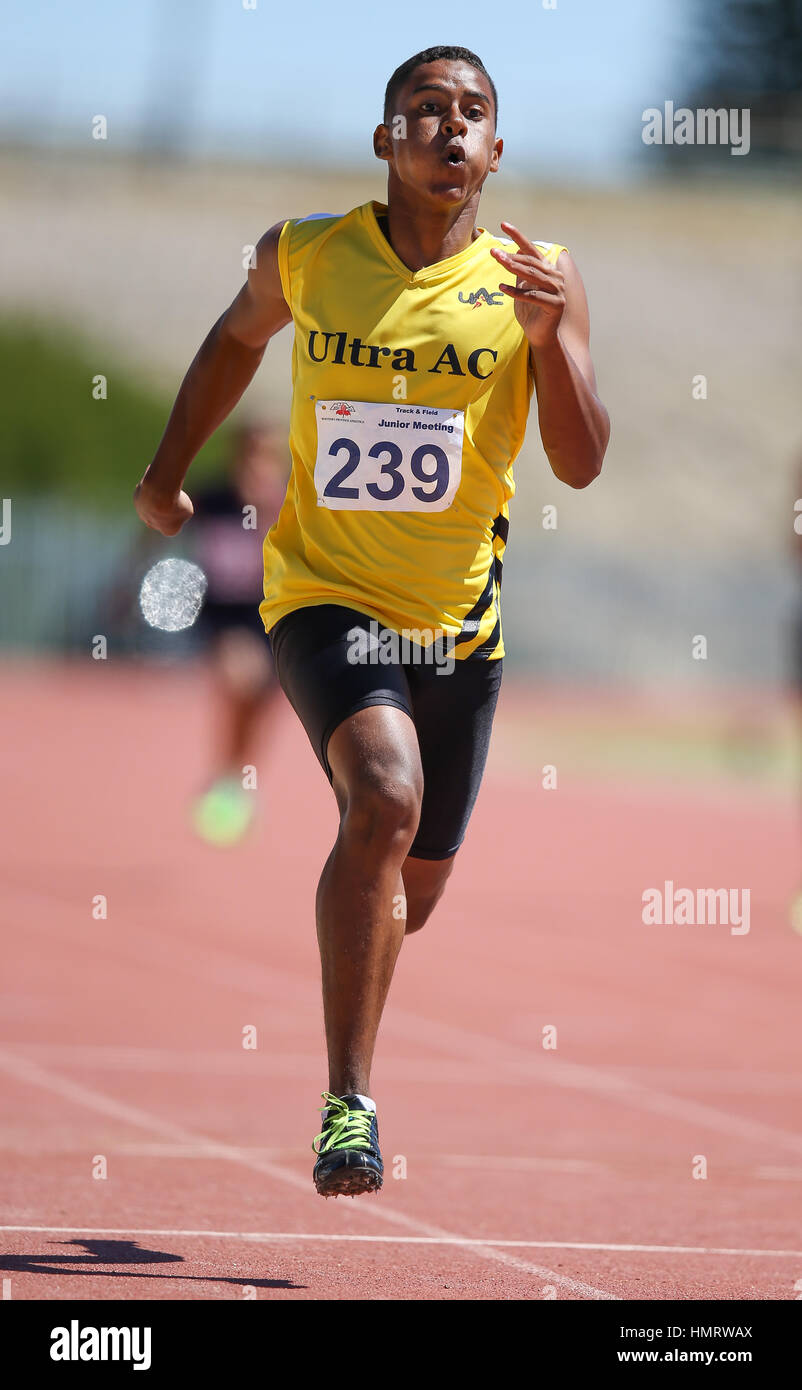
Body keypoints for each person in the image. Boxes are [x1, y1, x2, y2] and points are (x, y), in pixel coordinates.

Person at [134, 44, 610, 1198]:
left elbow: (582, 461)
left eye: (473, 115)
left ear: (497, 148)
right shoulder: (306, 254)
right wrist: (165, 469)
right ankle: (349, 1102)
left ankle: (360, 912)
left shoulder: (538, 276)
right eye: (425, 112)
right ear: (385, 139)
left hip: (458, 629)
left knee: (411, 890)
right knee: (383, 794)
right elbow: (234, 338)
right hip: (323, 595)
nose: (451, 131)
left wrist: (553, 349)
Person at [189, 423, 288, 846]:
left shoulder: (288, 499)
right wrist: (126, 583)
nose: (255, 462)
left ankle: (237, 775)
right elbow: (159, 528)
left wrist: (267, 507)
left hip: (271, 612)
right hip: (223, 614)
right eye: (249, 452)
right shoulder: (212, 498)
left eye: (264, 453)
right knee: (240, 677)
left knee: (263, 704)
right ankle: (228, 773)